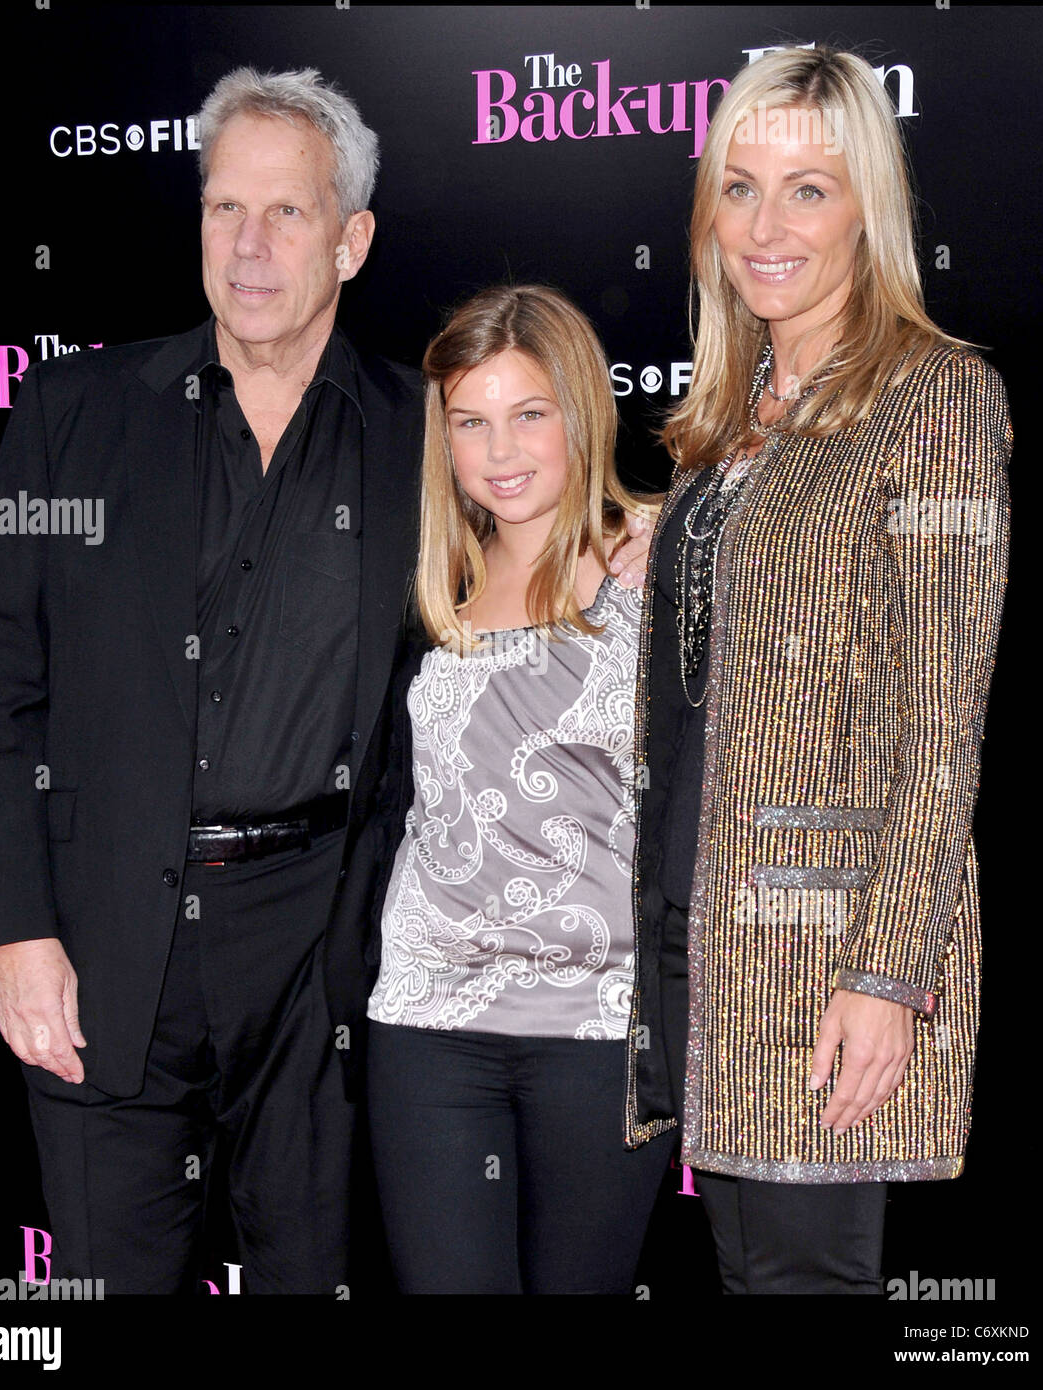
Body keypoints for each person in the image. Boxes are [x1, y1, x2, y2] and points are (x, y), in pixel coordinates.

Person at [0, 64, 653, 1296]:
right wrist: (15, 927)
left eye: (287, 212)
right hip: (103, 943)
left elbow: (540, 526)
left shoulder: (421, 434)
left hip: (322, 951)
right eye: (225, 208)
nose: (250, 245)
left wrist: (638, 529)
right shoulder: (71, 413)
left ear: (350, 239)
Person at [626, 46, 1012, 1293]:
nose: (764, 225)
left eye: (807, 188)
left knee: (804, 1283)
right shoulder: (723, 419)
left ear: (867, 207)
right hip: (699, 932)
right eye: (737, 188)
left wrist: (888, 974)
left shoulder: (934, 400)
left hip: (827, 951)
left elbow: (941, 720)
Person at [364, 284, 674, 1295]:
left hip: (597, 1027)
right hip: (427, 1023)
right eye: (470, 421)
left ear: (580, 411)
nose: (499, 450)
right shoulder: (426, 590)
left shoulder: (656, 572)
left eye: (527, 413)